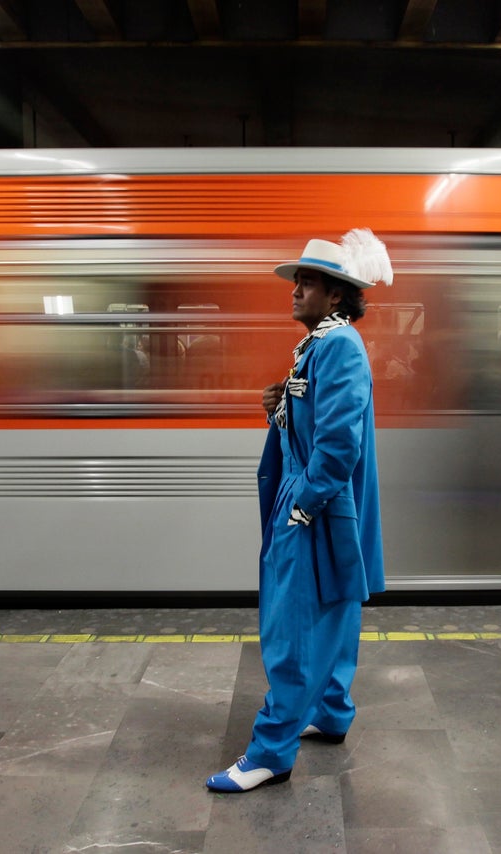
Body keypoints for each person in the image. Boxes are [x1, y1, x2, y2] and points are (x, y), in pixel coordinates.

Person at [206, 229, 391, 793]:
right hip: (320, 500)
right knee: (335, 612)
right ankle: (332, 713)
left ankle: (271, 752)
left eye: (306, 283)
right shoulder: (324, 342)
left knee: (291, 628)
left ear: (335, 295)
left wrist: (303, 507)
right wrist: (279, 403)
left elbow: (338, 443)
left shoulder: (336, 346)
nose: (294, 291)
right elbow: (317, 424)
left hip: (313, 503)